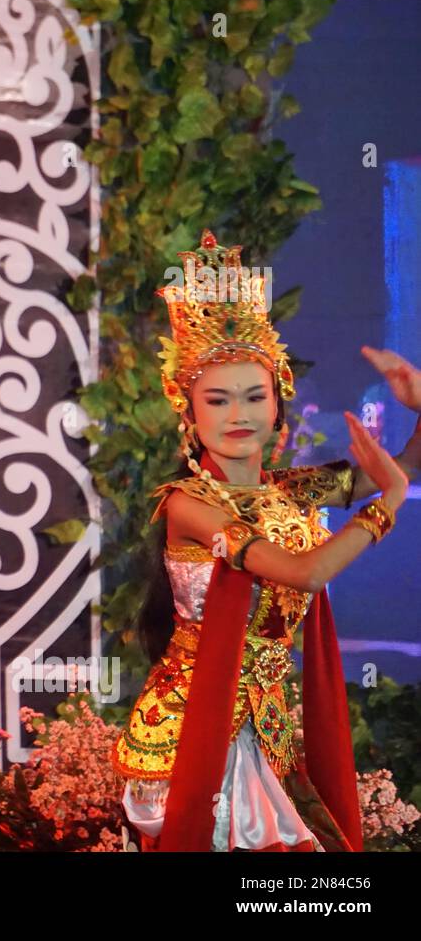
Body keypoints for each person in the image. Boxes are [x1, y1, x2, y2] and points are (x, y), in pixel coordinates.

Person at [112, 230, 420, 851]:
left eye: (255, 396)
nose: (238, 415)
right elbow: (304, 572)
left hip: (264, 723)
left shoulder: (293, 489)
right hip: (195, 734)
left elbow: (408, 467)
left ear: (278, 406)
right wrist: (382, 510)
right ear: (187, 410)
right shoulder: (189, 505)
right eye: (217, 400)